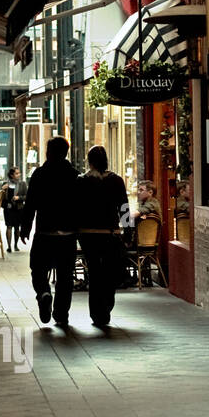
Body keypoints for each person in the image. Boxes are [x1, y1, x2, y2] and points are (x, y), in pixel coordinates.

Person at [20, 135, 79, 328]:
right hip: (68, 235)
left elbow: (30, 204)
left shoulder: (39, 174)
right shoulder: (74, 175)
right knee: (65, 276)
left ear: (48, 152)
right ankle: (61, 313)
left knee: (38, 268)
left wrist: (25, 227)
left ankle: (44, 293)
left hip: (45, 232)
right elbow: (80, 205)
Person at [78, 145, 129, 329]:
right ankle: (106, 307)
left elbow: (76, 208)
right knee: (108, 271)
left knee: (94, 272)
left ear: (89, 161)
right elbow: (124, 207)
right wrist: (127, 229)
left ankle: (96, 312)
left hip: (88, 234)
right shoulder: (116, 181)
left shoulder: (82, 181)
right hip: (110, 233)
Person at [0, 167, 28, 252]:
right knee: (9, 226)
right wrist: (2, 190)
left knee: (16, 227)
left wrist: (18, 197)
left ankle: (16, 245)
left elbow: (27, 197)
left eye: (19, 173)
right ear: (12, 175)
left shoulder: (22, 184)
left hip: (18, 208)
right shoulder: (6, 184)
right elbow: (0, 197)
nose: (19, 175)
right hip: (8, 208)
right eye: (16, 173)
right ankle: (9, 246)